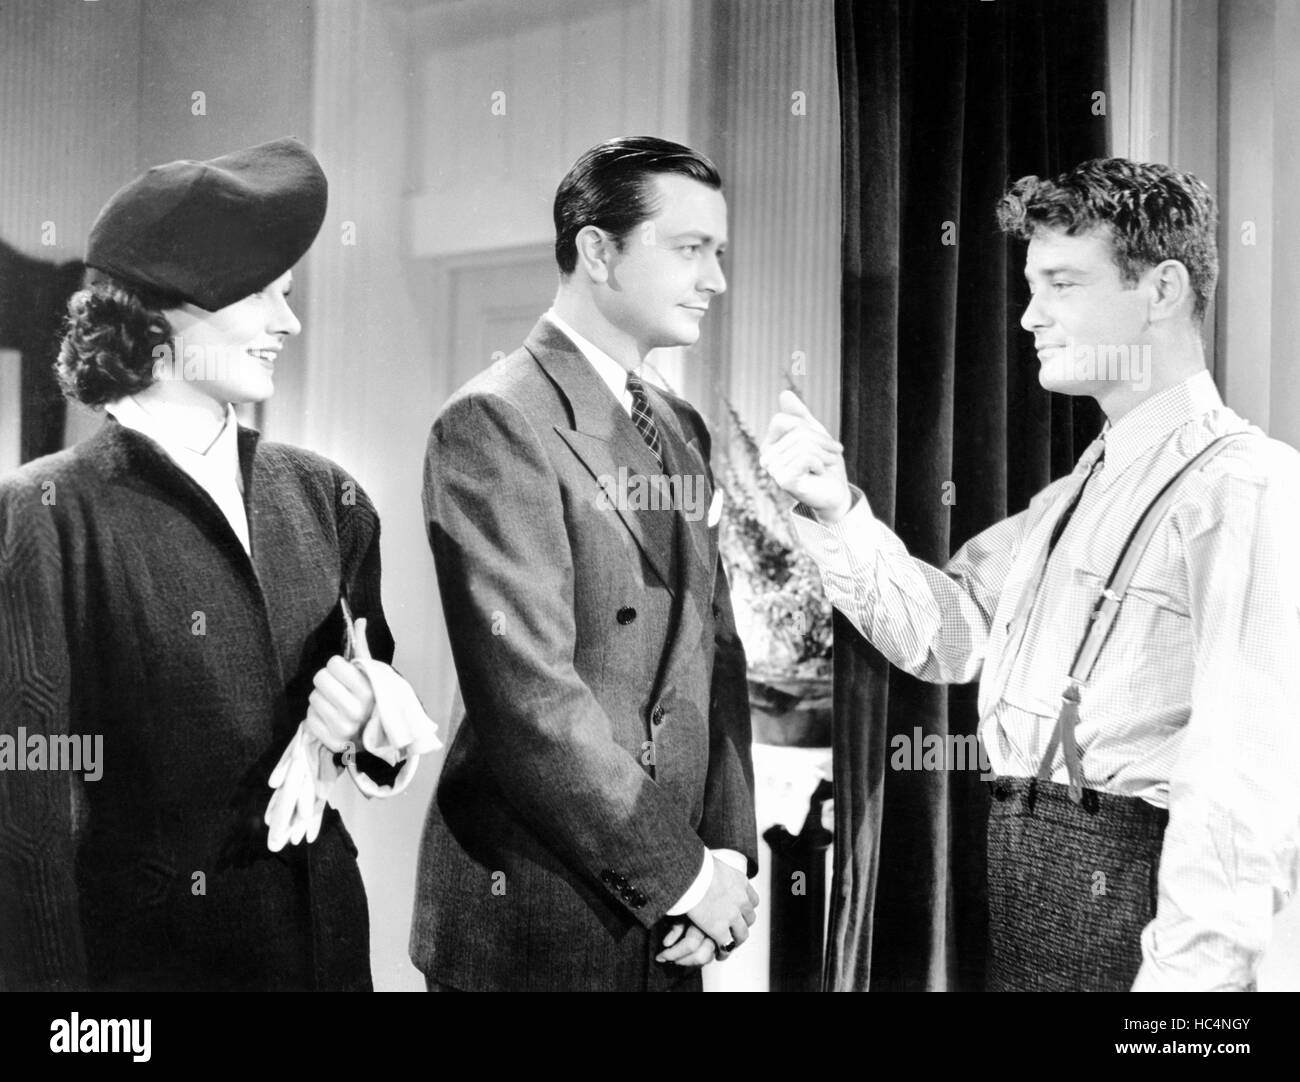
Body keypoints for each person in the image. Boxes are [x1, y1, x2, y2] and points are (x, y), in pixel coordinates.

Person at [762, 157, 1300, 991]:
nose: (1028, 317)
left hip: (1142, 920)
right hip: (1030, 895)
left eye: (1060, 284)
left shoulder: (1248, 489)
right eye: (1029, 285)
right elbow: (947, 639)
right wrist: (837, 512)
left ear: (1161, 290)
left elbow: (1242, 794)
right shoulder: (1066, 499)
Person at [0, 138, 429, 992]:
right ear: (168, 310)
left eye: (290, 295)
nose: (289, 322)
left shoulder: (324, 494)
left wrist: (368, 721)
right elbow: (26, 828)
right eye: (264, 294)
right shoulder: (48, 514)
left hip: (327, 954)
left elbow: (369, 689)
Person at [411, 136, 759, 991]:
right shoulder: (497, 420)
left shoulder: (678, 423)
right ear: (598, 250)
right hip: (536, 916)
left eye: (718, 253)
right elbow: (531, 701)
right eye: (690, 251)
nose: (715, 279)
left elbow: (714, 656)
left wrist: (727, 859)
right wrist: (683, 876)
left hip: (669, 913)